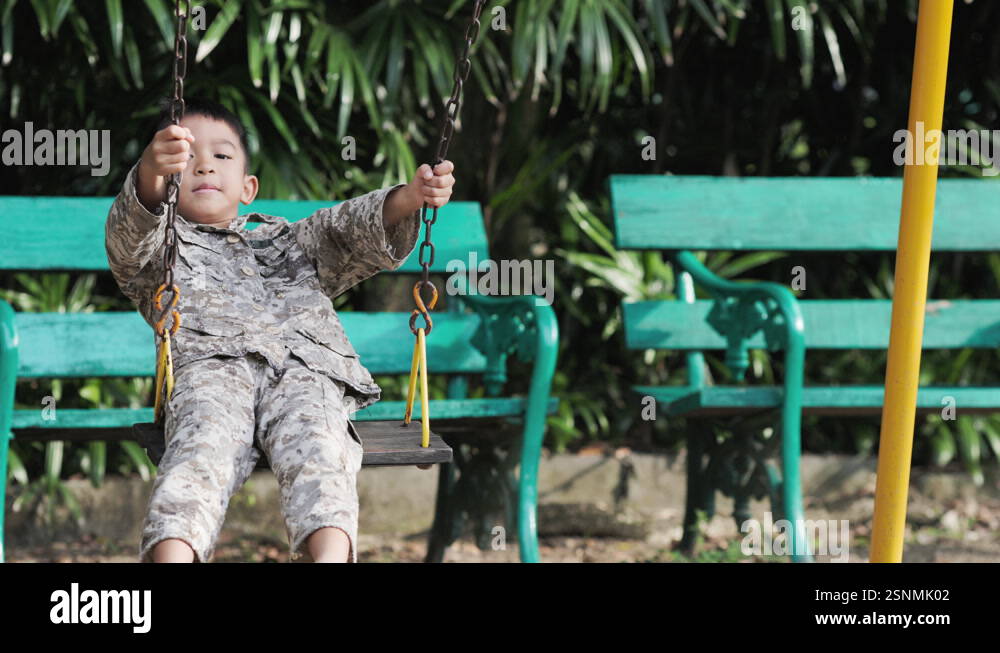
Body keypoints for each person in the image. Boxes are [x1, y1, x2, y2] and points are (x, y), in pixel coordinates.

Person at [104, 97, 455, 563]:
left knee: (321, 447)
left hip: (305, 369)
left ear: (248, 187)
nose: (205, 165)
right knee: (199, 452)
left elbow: (345, 229)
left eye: (222, 156)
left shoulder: (287, 239)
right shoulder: (159, 252)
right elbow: (127, 237)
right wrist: (148, 175)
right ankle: (174, 557)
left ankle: (327, 557)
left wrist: (411, 198)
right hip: (212, 370)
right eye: (187, 159)